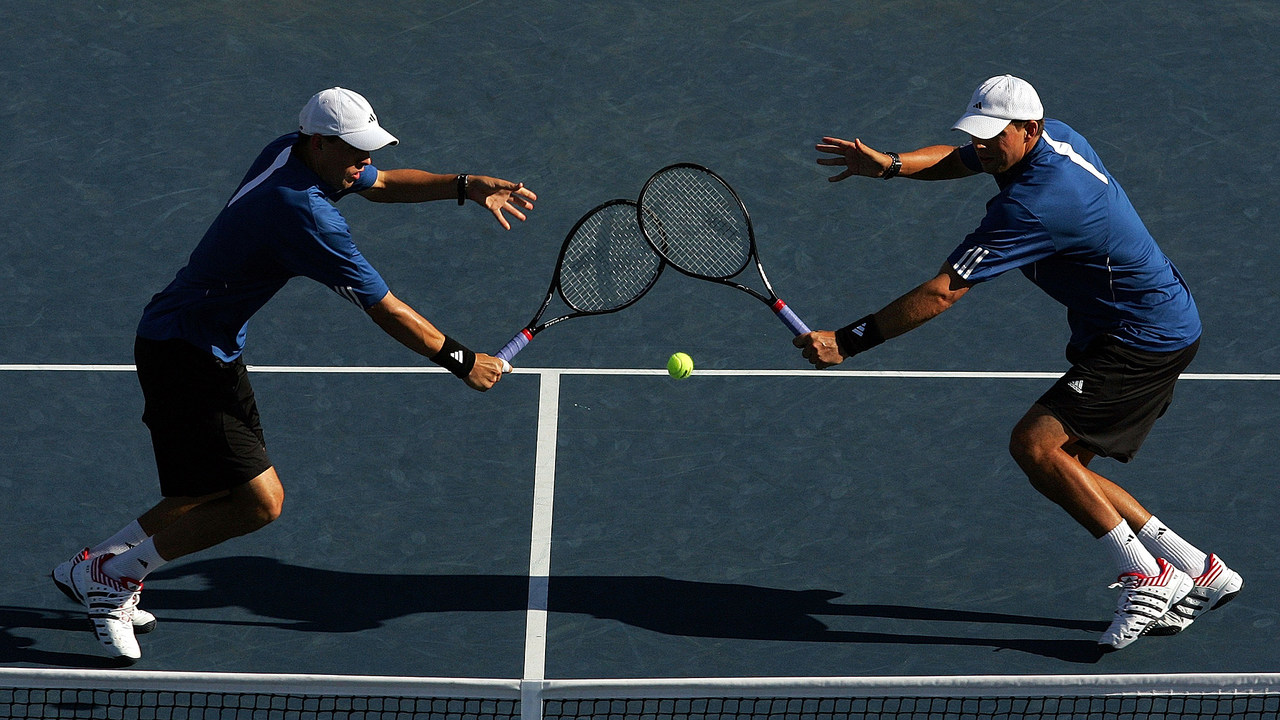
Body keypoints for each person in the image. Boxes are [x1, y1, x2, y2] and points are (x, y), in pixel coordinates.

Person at [52, 87, 538, 664]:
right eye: (355, 149)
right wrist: (461, 360)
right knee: (259, 504)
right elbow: (385, 308)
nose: (364, 160)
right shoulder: (303, 213)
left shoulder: (289, 151)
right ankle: (115, 577)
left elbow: (382, 183)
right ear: (320, 142)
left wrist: (463, 185)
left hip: (206, 345)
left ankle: (89, 566)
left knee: (207, 489)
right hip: (183, 354)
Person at [796, 75, 1241, 652]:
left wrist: (848, 341)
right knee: (1068, 466)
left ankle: (1145, 574)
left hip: (1140, 338)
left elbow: (943, 292)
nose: (981, 147)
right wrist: (891, 165)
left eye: (993, 137)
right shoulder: (1056, 137)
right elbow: (959, 159)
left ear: (1028, 128)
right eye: (977, 135)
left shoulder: (1036, 205)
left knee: (1035, 446)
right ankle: (1197, 569)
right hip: (1145, 324)